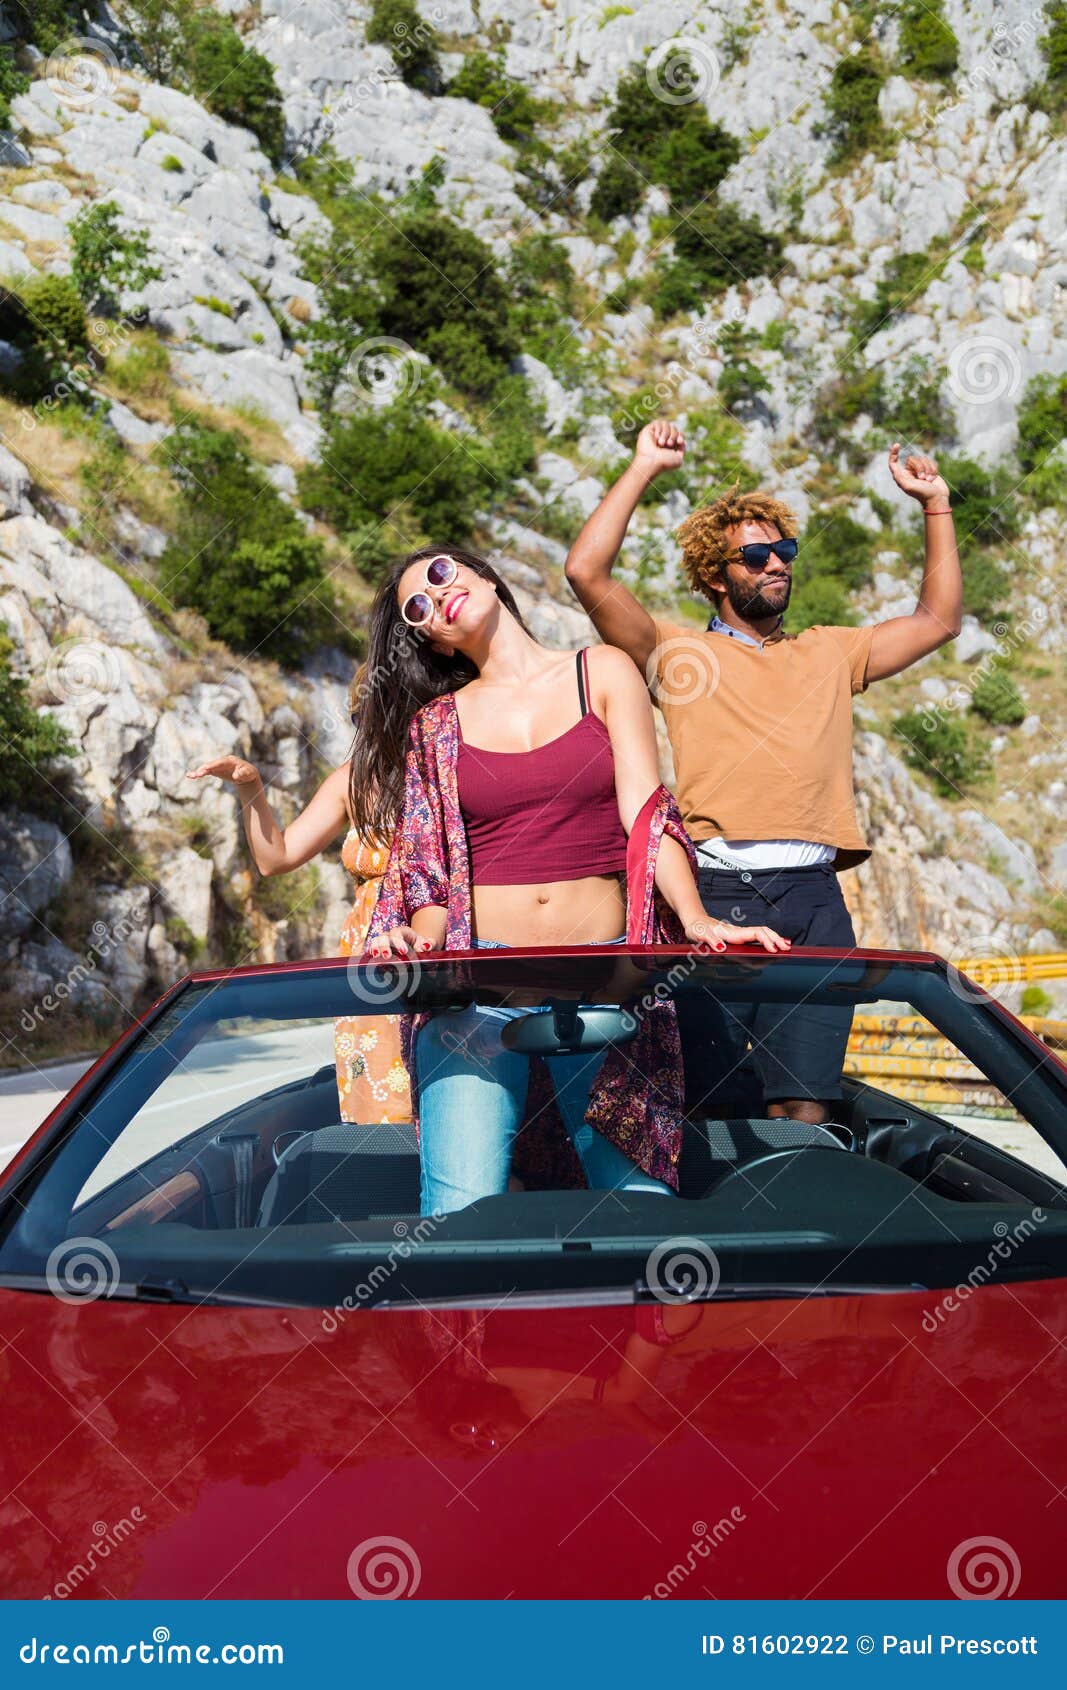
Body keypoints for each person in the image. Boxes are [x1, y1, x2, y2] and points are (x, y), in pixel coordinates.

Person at [360, 546, 789, 1215]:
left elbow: (647, 813)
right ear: (434, 641)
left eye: (442, 575)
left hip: (607, 986)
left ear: (484, 577)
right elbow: (427, 869)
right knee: (457, 1214)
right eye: (419, 607)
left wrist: (697, 918)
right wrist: (416, 943)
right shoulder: (434, 727)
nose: (438, 598)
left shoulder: (603, 670)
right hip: (480, 993)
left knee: (638, 1203)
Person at [564, 421, 963, 1126]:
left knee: (803, 1102)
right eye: (755, 555)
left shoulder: (830, 652)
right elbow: (584, 573)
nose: (776, 563)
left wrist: (935, 504)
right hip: (715, 894)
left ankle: (795, 1230)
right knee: (706, 1105)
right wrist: (642, 469)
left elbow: (937, 619)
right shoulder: (674, 652)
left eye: (784, 550)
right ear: (717, 576)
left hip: (815, 900)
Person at [185, 671, 410, 1124]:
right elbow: (276, 857)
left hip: (431, 950)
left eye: (379, 711)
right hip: (369, 967)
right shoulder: (352, 781)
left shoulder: (441, 769)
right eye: (359, 716)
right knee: (381, 1119)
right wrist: (250, 787)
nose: (369, 726)